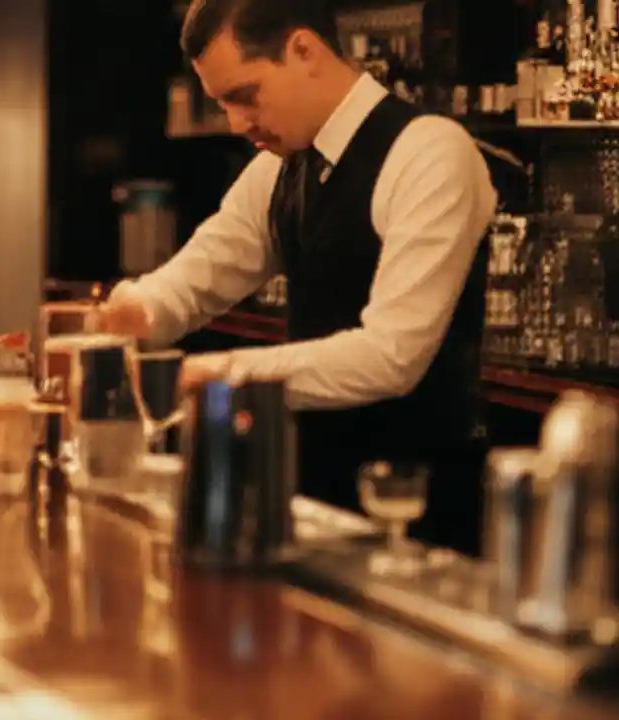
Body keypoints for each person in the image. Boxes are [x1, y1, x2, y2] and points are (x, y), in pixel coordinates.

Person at [101, 0, 497, 553]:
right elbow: (193, 281)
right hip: (309, 503)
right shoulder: (276, 170)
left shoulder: (430, 153)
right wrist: (116, 319)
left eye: (244, 95)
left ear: (304, 50)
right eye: (223, 104)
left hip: (413, 516)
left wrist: (223, 372)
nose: (237, 124)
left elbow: (392, 356)